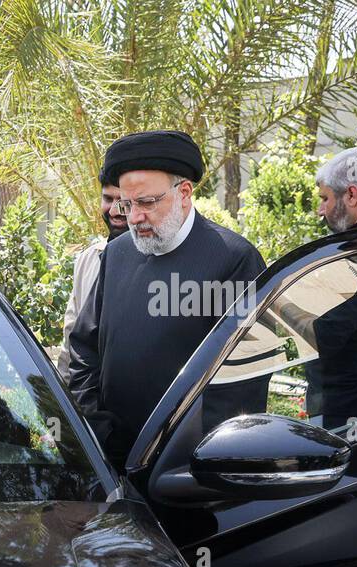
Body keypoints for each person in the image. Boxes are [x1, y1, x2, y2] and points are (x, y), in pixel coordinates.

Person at [66, 130, 265, 468]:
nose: (134, 217)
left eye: (146, 203)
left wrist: (189, 459)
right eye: (127, 205)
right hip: (110, 460)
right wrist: (98, 433)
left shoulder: (234, 260)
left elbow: (241, 383)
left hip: (187, 470)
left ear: (184, 193)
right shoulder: (116, 252)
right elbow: (84, 350)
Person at [284, 146, 357, 429]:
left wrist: (281, 303)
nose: (320, 210)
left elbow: (322, 335)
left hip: (356, 422)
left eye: (325, 198)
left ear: (352, 195)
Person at [56, 172, 128, 385]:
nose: (115, 210)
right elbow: (72, 336)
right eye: (108, 199)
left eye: (123, 202)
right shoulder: (87, 260)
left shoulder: (157, 263)